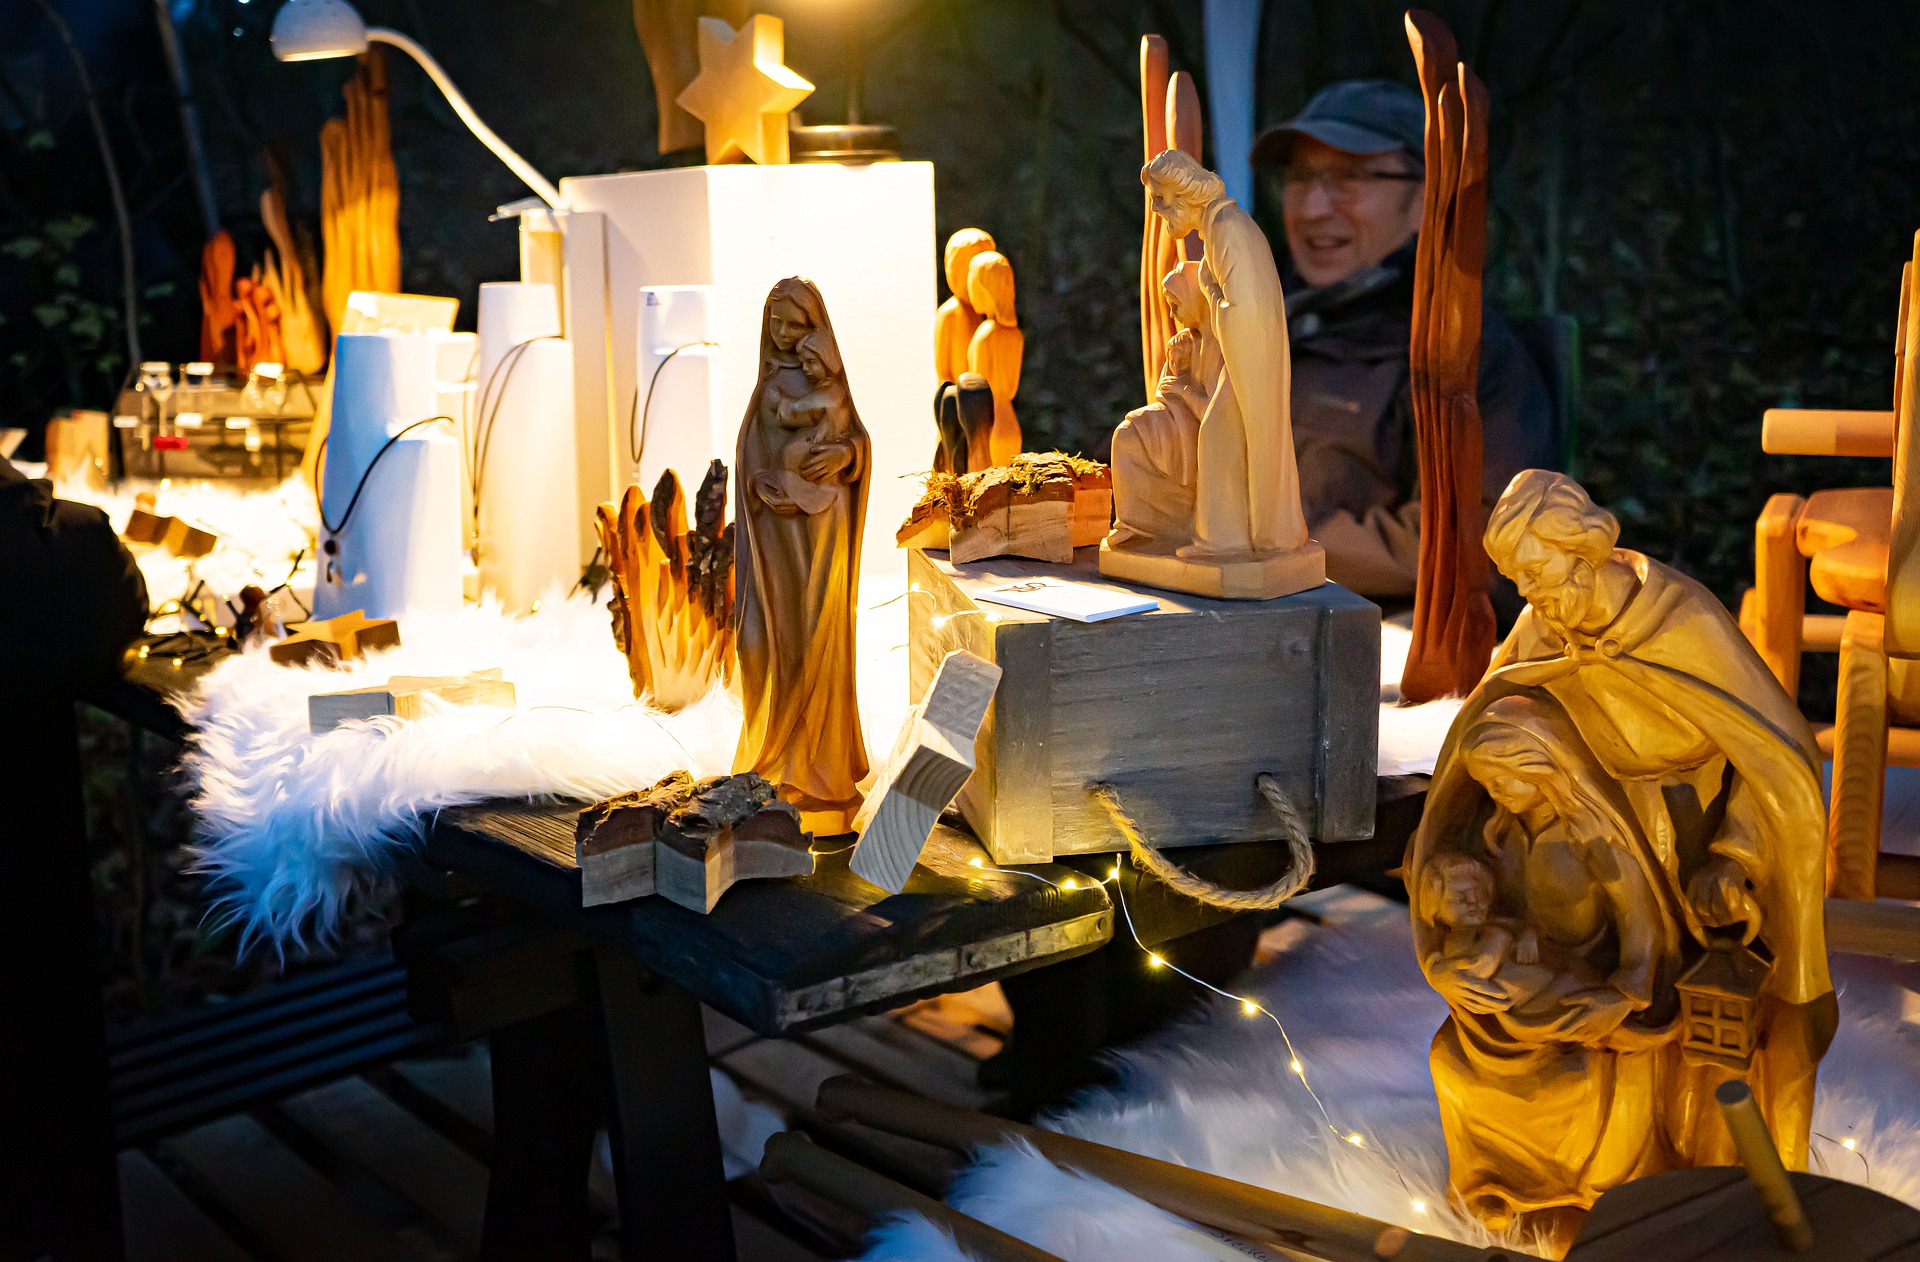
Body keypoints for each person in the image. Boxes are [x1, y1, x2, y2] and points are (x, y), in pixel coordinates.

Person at [1476, 471, 1833, 1177]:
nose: (1527, 594)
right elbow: (1496, 707)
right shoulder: (1546, 622)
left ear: (1582, 553)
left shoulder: (1682, 622)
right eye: (1517, 579)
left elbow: (1774, 757)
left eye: (1536, 573)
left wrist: (1735, 857)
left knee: (1707, 1019)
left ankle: (1707, 1171)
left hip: (1697, 832)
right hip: (1603, 829)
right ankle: (1613, 1169)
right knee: (1607, 1005)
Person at [1249, 79, 1556, 599]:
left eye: (1351, 177)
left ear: (1424, 201)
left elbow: (1483, 549)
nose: (1312, 208)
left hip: (1361, 635)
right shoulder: (1245, 323)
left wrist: (1262, 548)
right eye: (1300, 177)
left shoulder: (1460, 353)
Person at [733, 277, 871, 835]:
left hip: (821, 532)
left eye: (798, 325)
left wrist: (844, 456)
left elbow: (857, 442)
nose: (787, 336)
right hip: (775, 541)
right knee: (759, 642)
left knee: (818, 640)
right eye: (777, 324)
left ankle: (819, 775)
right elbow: (751, 458)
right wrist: (760, 489)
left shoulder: (830, 386)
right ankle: (771, 762)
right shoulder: (767, 390)